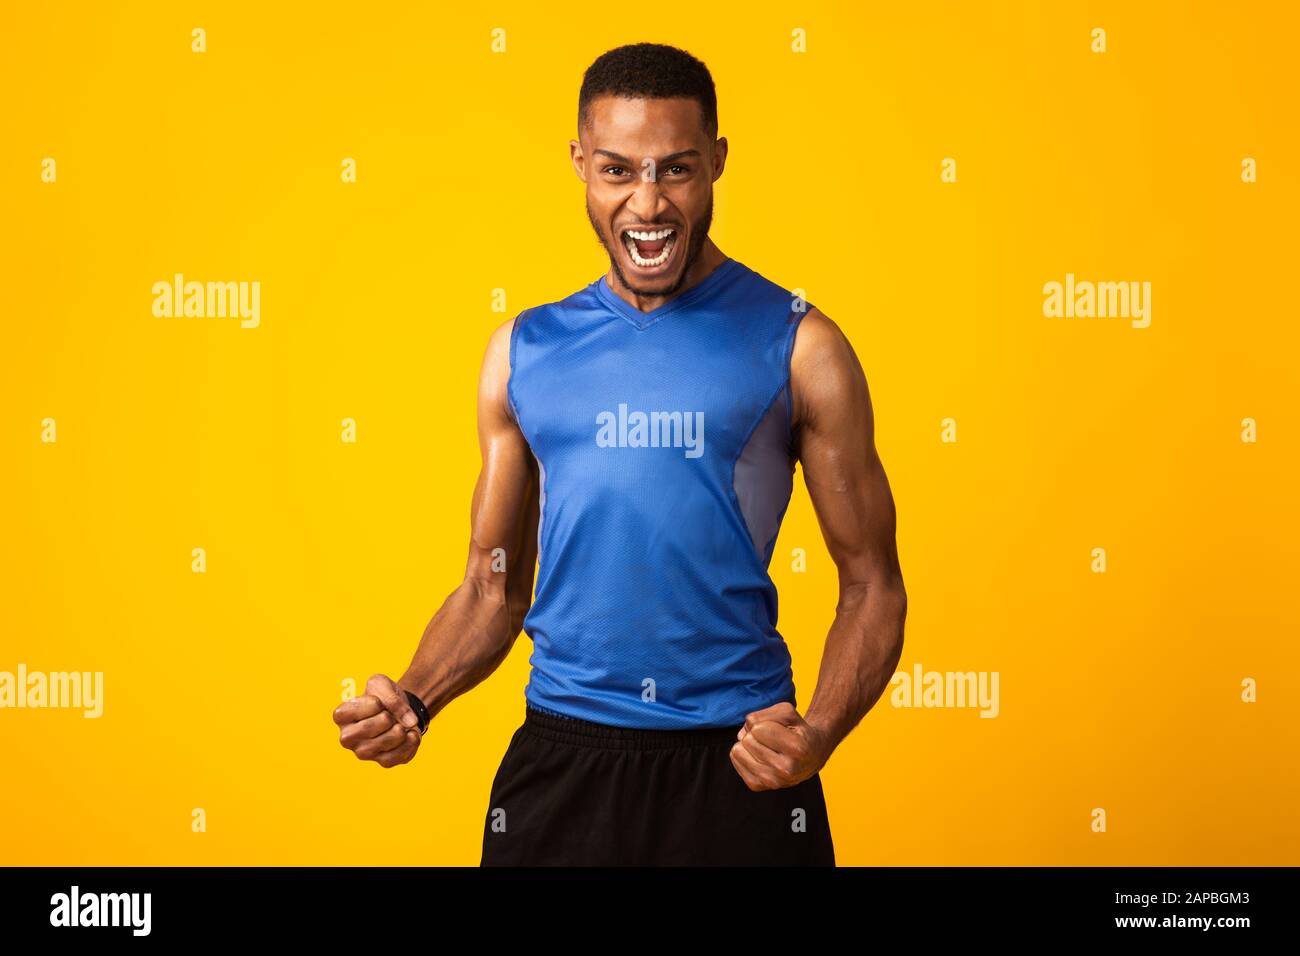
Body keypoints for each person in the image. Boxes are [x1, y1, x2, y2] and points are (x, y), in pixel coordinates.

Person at [332, 42, 907, 866]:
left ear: (717, 162)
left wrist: (816, 733)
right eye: (617, 170)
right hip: (563, 769)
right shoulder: (523, 351)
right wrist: (415, 699)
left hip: (738, 768)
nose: (647, 203)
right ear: (579, 164)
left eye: (675, 170)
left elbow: (873, 586)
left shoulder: (800, 345)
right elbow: (491, 589)